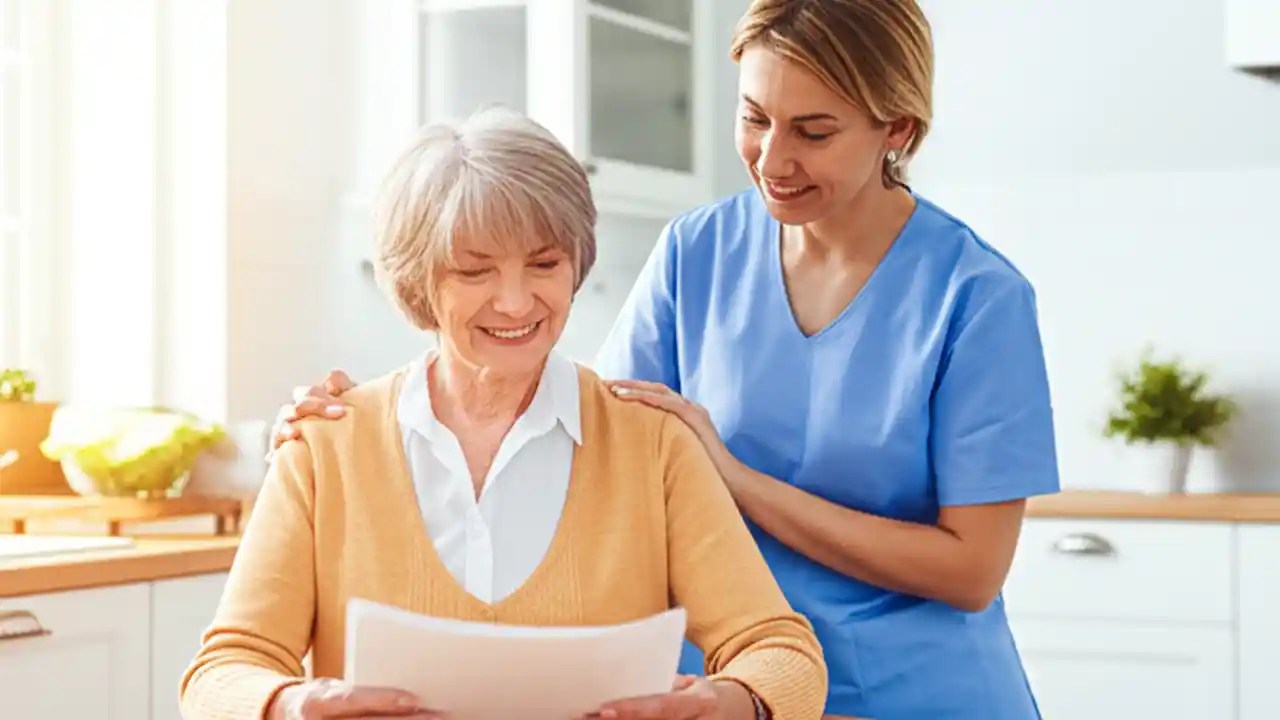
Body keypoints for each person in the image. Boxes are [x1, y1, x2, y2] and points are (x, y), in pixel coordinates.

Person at [272, 0, 1061, 717]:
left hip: (914, 692)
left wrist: (733, 476)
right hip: (725, 686)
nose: (772, 158)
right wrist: (353, 416)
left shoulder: (977, 297)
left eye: (813, 132)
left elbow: (972, 571)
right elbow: (602, 429)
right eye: (754, 118)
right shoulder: (699, 250)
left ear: (898, 130)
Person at [182, 107, 828, 720]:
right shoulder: (326, 446)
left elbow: (780, 651)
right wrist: (288, 704)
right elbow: (223, 670)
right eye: (474, 271)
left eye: (544, 264)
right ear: (419, 281)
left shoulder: (652, 445)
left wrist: (728, 702)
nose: (516, 302)